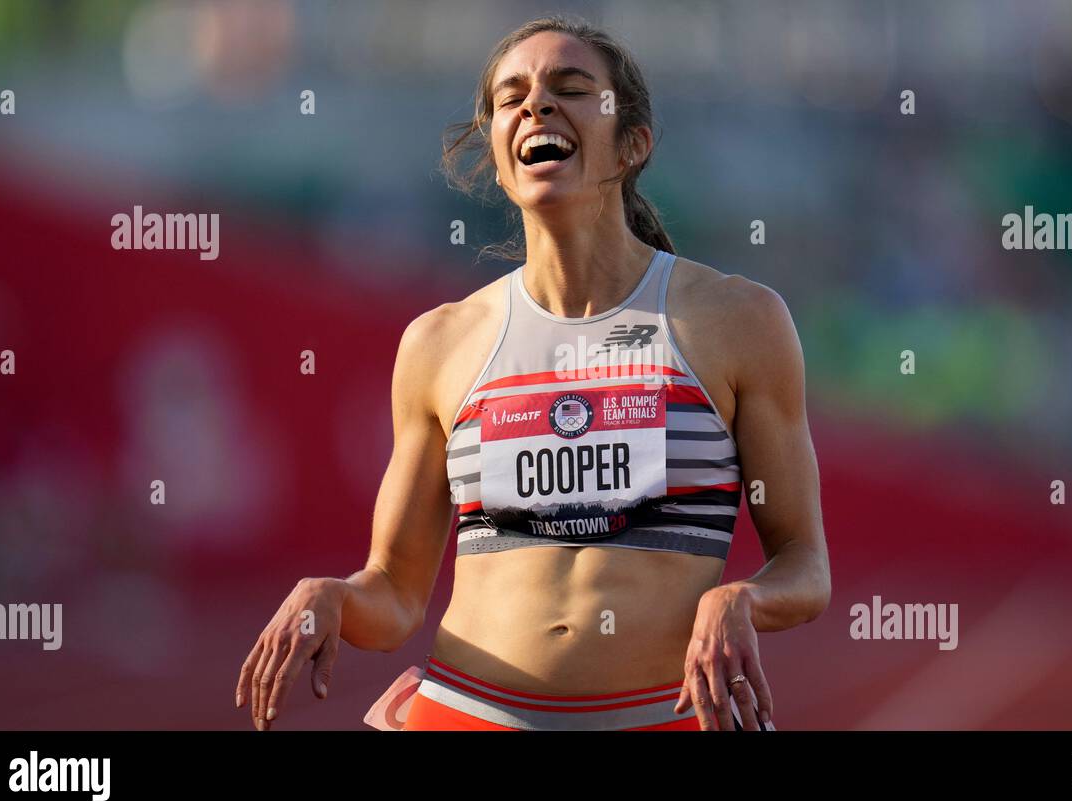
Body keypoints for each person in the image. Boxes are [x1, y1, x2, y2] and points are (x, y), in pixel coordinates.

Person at [236, 15, 830, 731]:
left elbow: (804, 564)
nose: (536, 105)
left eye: (571, 89)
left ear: (633, 143)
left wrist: (740, 598)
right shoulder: (439, 343)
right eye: (511, 96)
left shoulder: (738, 320)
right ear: (496, 153)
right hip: (469, 713)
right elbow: (394, 593)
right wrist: (332, 595)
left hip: (663, 716)